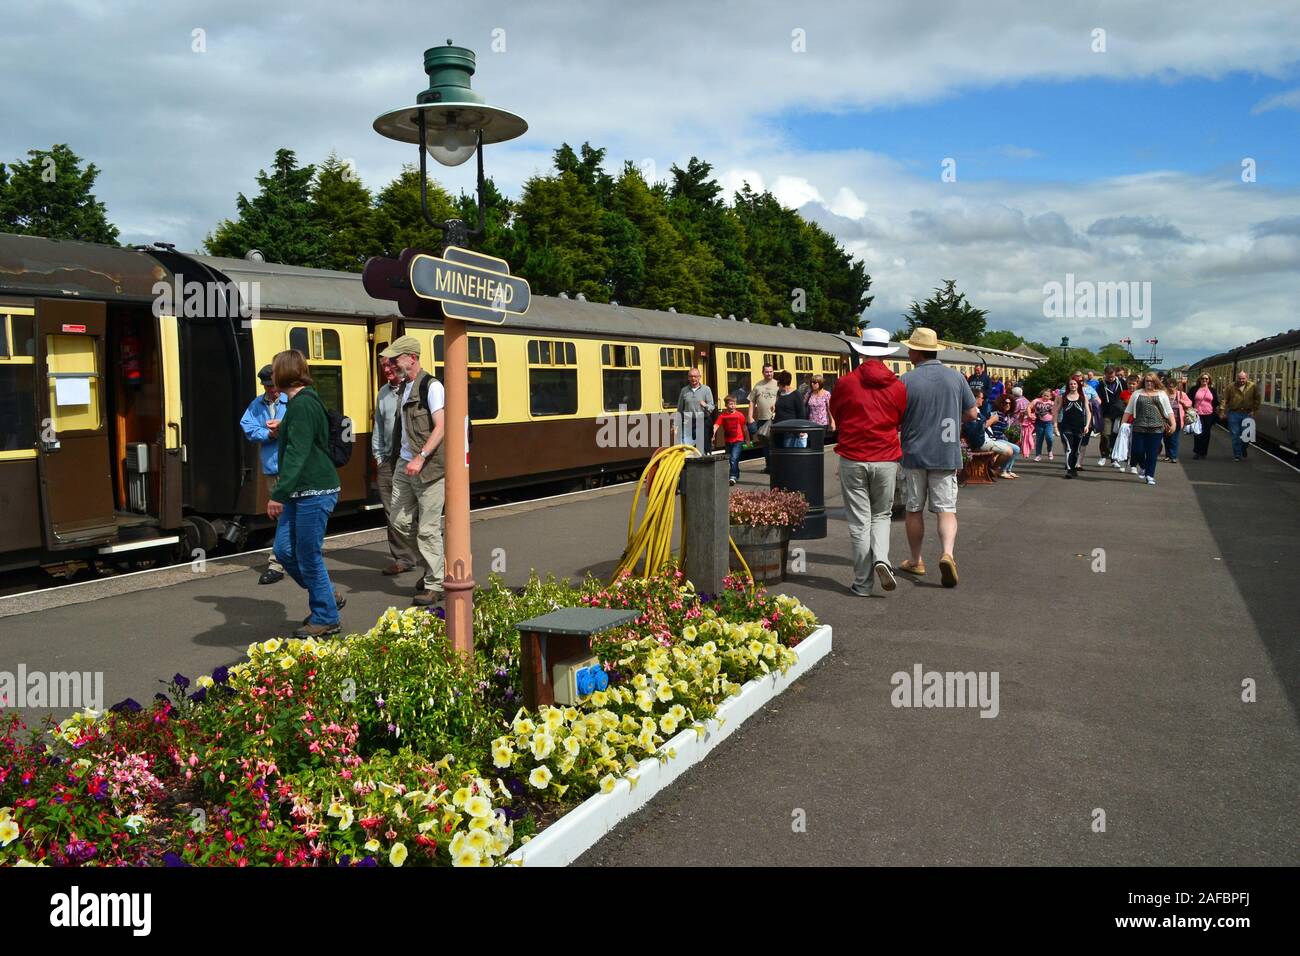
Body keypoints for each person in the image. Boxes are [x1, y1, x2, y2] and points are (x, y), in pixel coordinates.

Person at [266, 349, 344, 638]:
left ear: (283, 373)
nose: (271, 375)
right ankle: (327, 595)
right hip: (303, 492)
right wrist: (282, 428)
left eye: (274, 370)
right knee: (285, 551)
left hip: (313, 489)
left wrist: (278, 494)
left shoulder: (301, 405)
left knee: (308, 555)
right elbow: (305, 437)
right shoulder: (302, 402)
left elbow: (298, 453)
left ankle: (326, 616)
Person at [897, 327, 978, 588]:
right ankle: (947, 554)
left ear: (918, 352)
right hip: (945, 453)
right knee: (946, 509)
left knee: (913, 509)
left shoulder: (906, 381)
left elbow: (896, 417)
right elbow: (973, 413)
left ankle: (916, 560)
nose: (908, 352)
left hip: (914, 453)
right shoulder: (956, 378)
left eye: (910, 348)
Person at [829, 326, 908, 596]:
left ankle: (862, 584)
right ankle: (882, 559)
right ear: (885, 354)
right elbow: (899, 419)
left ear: (862, 352)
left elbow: (837, 414)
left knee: (859, 521)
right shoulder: (898, 386)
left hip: (853, 457)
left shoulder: (845, 383)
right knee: (882, 515)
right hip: (886, 457)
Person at [382, 335, 447, 607]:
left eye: (396, 359)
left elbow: (441, 427)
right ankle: (435, 565)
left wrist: (420, 457)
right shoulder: (403, 388)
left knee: (428, 529)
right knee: (398, 520)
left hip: (429, 468)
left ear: (412, 357)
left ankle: (435, 583)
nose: (392, 364)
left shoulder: (431, 386)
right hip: (404, 464)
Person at [239, 364, 288, 585]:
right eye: (268, 386)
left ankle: (277, 562)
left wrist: (282, 429)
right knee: (283, 516)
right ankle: (286, 557)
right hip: (271, 467)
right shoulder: (257, 404)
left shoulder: (293, 400)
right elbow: (247, 426)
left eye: (274, 386)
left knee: (290, 515)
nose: (272, 390)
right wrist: (268, 434)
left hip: (292, 466)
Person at [371, 357, 419, 576]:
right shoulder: (383, 393)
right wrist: (379, 457)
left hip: (414, 458)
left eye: (391, 365)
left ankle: (430, 560)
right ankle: (403, 558)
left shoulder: (412, 389)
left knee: (419, 508)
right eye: (383, 367)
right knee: (392, 512)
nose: (387, 370)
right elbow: (379, 427)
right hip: (390, 460)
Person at [1124, 371, 1177, 485]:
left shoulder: (1162, 394)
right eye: (1147, 381)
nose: (1149, 383)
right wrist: (1123, 424)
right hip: (1139, 426)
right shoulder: (1137, 393)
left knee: (1152, 453)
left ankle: (1149, 475)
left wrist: (1173, 424)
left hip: (1156, 428)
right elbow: (1128, 410)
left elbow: (1169, 411)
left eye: (1152, 381)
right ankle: (1143, 466)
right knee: (1137, 451)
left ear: (1156, 382)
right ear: (1144, 381)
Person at [962, 388, 1019, 478]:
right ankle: (993, 469)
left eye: (1010, 403)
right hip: (981, 441)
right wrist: (992, 420)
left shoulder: (977, 411)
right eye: (981, 397)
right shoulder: (972, 412)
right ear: (975, 398)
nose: (983, 400)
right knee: (1010, 450)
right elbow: (978, 428)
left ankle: (998, 469)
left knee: (1013, 449)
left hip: (986, 439)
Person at [1052, 377, 1092, 478]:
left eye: (1074, 384)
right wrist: (1055, 426)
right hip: (1066, 426)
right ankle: (1069, 470)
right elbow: (1056, 411)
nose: (1073, 386)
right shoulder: (1063, 397)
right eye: (1071, 384)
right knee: (1069, 448)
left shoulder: (1083, 397)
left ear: (1078, 385)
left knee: (1076, 449)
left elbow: (1088, 412)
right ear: (1068, 386)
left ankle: (1074, 468)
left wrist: (1087, 425)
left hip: (1079, 427)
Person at [1218, 370, 1260, 462]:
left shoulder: (1252, 386)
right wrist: (1221, 412)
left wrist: (1254, 410)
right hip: (1234, 413)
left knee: (1247, 435)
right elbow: (1224, 400)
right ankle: (1237, 455)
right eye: (1240, 378)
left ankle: (1243, 448)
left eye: (1243, 378)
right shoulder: (1231, 386)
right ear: (1237, 378)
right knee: (1235, 435)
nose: (1241, 380)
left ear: (1247, 378)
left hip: (1247, 413)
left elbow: (1257, 399)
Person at [671, 366, 715, 453]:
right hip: (688, 421)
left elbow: (711, 407)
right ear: (688, 378)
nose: (693, 378)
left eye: (695, 376)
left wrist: (705, 405)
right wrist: (675, 424)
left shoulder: (706, 389)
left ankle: (703, 463)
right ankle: (690, 465)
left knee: (701, 448)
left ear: (699, 377)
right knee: (687, 448)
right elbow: (679, 409)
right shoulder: (684, 390)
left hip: (702, 420)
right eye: (691, 376)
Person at [747, 363, 779, 472]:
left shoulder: (778, 385)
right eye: (767, 372)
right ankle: (769, 467)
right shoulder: (758, 386)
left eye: (771, 371)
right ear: (763, 373)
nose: (769, 374)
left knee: (775, 445)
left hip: (775, 420)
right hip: (762, 419)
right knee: (765, 446)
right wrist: (750, 417)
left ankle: (776, 467)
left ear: (773, 372)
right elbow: (751, 401)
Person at [711, 394, 748, 485]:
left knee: (733, 458)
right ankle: (736, 474)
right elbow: (716, 425)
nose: (733, 406)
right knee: (732, 459)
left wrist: (747, 439)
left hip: (738, 440)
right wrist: (713, 434)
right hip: (728, 441)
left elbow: (744, 428)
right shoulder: (723, 416)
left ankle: (733, 476)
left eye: (734, 404)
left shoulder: (740, 415)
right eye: (730, 404)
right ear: (726, 405)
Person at [1095, 366, 1126, 466]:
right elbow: (1098, 398)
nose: (1111, 379)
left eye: (1112, 377)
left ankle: (1114, 458)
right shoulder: (1101, 385)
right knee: (1105, 434)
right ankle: (1104, 455)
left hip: (1119, 414)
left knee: (1116, 436)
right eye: (1109, 377)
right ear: (1105, 375)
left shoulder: (1122, 383)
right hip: (1106, 413)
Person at [773, 370, 807, 447]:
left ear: (782, 383)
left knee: (787, 451)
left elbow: (801, 413)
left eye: (778, 383)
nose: (778, 386)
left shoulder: (796, 394)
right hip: (778, 429)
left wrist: (801, 429)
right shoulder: (779, 393)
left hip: (790, 430)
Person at [1189, 373, 1218, 459]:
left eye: (1206, 379)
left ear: (1209, 380)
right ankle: (1197, 452)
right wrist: (1191, 409)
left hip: (1209, 414)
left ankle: (1204, 452)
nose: (1204, 380)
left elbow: (1215, 402)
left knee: (1206, 434)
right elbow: (1189, 400)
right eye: (1203, 378)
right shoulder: (1194, 389)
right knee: (1198, 433)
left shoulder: (1212, 390)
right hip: (1197, 414)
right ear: (1200, 380)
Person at [1163, 380, 1192, 463]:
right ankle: (1168, 455)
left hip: (1177, 420)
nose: (1171, 388)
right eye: (1169, 386)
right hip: (1166, 420)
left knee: (1174, 439)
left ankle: (1173, 456)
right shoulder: (1164, 395)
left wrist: (1183, 402)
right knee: (1166, 439)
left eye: (1172, 386)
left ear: (1176, 387)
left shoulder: (1181, 394)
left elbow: (1190, 403)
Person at [1030, 388, 1055, 461]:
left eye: (1047, 396)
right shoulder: (1037, 401)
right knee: (1039, 439)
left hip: (1049, 423)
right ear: (1042, 395)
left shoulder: (1052, 403)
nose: (1045, 397)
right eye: (1044, 395)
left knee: (1049, 438)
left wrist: (1055, 420)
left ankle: (1049, 451)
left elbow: (1056, 411)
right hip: (1039, 423)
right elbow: (1029, 407)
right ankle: (1038, 455)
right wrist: (1029, 415)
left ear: (1050, 397)